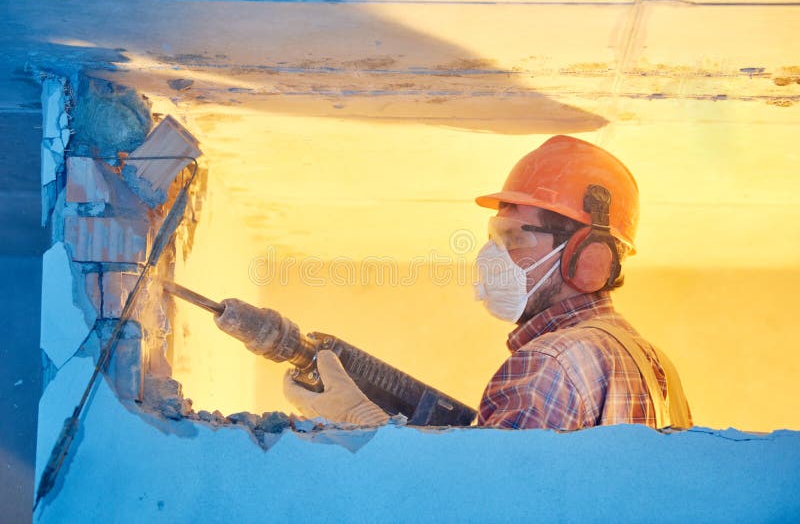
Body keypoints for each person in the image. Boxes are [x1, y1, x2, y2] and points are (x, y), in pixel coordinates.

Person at [220, 135, 692, 431]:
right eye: (494, 238)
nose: (494, 257)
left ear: (589, 257)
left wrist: (364, 425)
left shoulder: (548, 365)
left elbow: (476, 508)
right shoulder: (652, 364)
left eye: (515, 239)